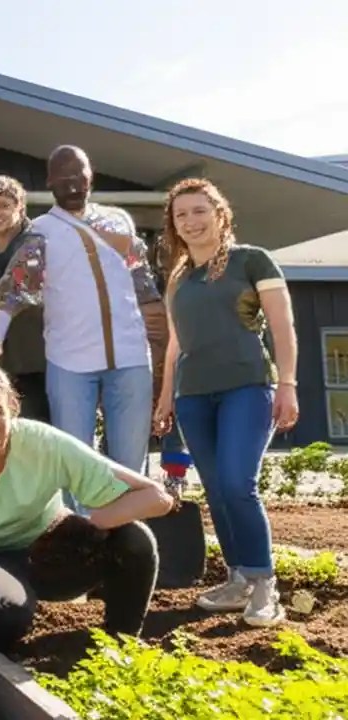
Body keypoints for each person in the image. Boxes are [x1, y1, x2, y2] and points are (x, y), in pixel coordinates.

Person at [0, 361, 174, 651]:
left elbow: (157, 496)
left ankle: (123, 644)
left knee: (134, 540)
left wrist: (99, 521)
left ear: (12, 407)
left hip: (49, 550)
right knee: (6, 616)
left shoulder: (44, 442)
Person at [153, 178, 299, 626]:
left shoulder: (251, 260)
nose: (191, 222)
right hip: (193, 395)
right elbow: (176, 343)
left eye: (199, 211)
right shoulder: (179, 276)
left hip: (247, 386)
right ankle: (238, 579)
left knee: (238, 483)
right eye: (181, 215)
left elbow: (282, 325)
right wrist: (165, 398)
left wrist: (288, 384)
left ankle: (264, 584)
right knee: (216, 488)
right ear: (173, 225)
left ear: (220, 213)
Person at [0, 146, 155, 483]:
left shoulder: (118, 221)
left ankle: (129, 531)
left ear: (91, 175)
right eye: (63, 178)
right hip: (70, 362)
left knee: (131, 466)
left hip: (131, 357)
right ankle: (81, 531)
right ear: (50, 183)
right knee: (75, 461)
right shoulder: (42, 231)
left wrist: (160, 348)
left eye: (78, 175)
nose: (72, 184)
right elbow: (13, 289)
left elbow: (144, 284)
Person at [0, 176, 49, 422]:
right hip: (2, 366)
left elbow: (17, 287)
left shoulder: (37, 244)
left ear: (20, 207)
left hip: (43, 364)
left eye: (4, 205)